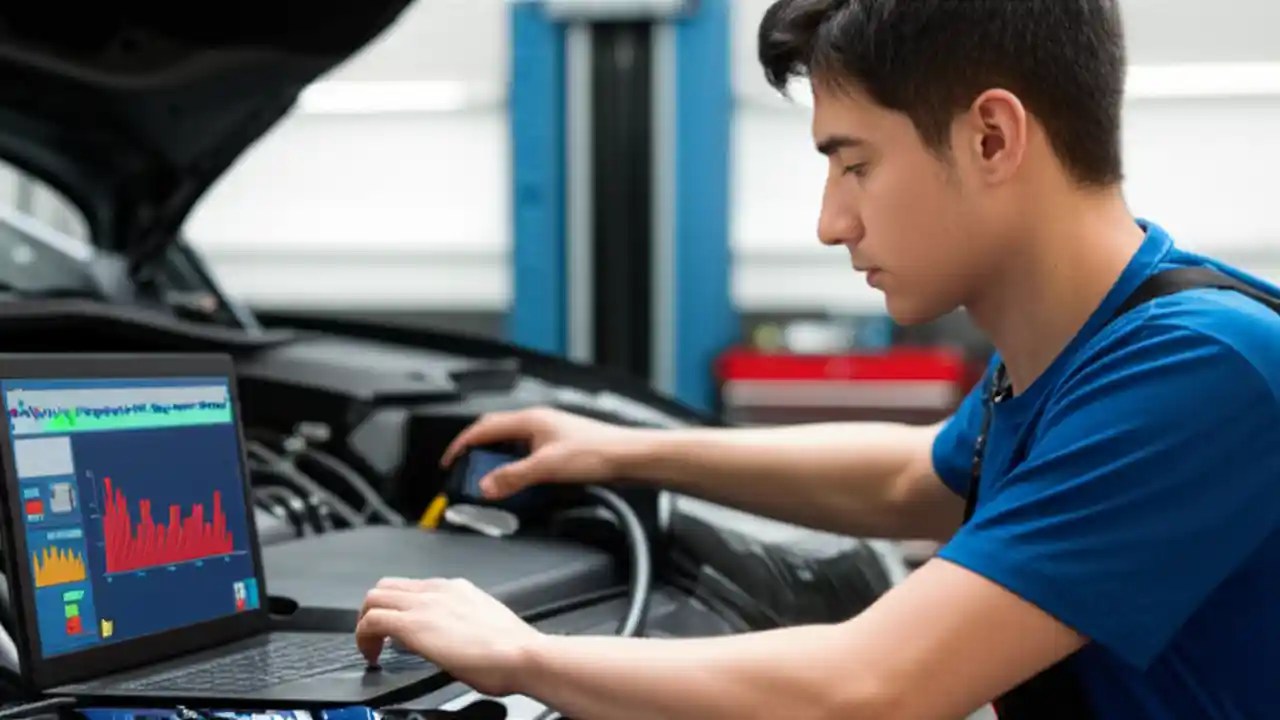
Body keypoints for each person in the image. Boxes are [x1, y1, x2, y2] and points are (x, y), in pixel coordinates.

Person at [354, 1, 1280, 717]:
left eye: (855, 164)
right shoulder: (1090, 340)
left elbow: (874, 688)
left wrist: (522, 656)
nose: (832, 222)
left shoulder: (1198, 370)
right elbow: (915, 478)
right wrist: (624, 447)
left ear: (992, 137)